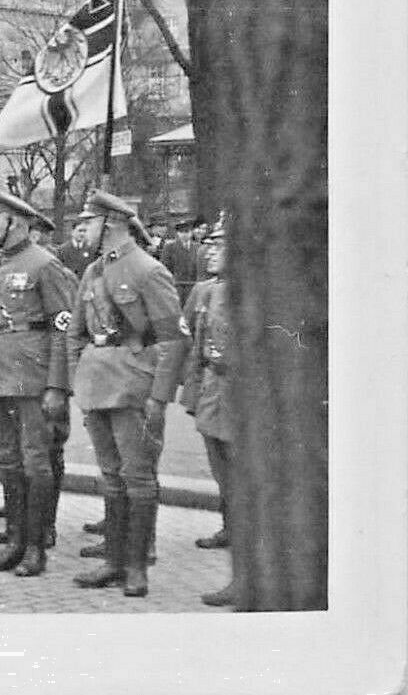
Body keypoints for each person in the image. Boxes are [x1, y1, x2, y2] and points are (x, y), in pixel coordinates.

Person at [66, 190, 189, 598]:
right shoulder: (94, 272)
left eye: (90, 220)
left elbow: (171, 340)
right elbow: (76, 334)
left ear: (112, 224)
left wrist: (158, 397)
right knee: (111, 475)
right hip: (97, 383)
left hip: (133, 387)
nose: (82, 227)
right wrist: (77, 379)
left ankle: (136, 567)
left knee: (137, 476)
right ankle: (113, 562)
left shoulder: (147, 270)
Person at [0, 190, 78, 577]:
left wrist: (56, 386)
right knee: (7, 458)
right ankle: (15, 540)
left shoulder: (45, 265)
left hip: (30, 377)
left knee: (35, 460)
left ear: (14, 222)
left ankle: (35, 546)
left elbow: (63, 329)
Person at [182, 217, 240, 607]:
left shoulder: (256, 293)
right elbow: (194, 345)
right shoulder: (204, 291)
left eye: (220, 245)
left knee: (244, 473)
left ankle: (246, 564)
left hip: (240, 391)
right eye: (210, 244)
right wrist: (192, 393)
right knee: (220, 468)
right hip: (212, 389)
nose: (211, 250)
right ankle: (229, 526)